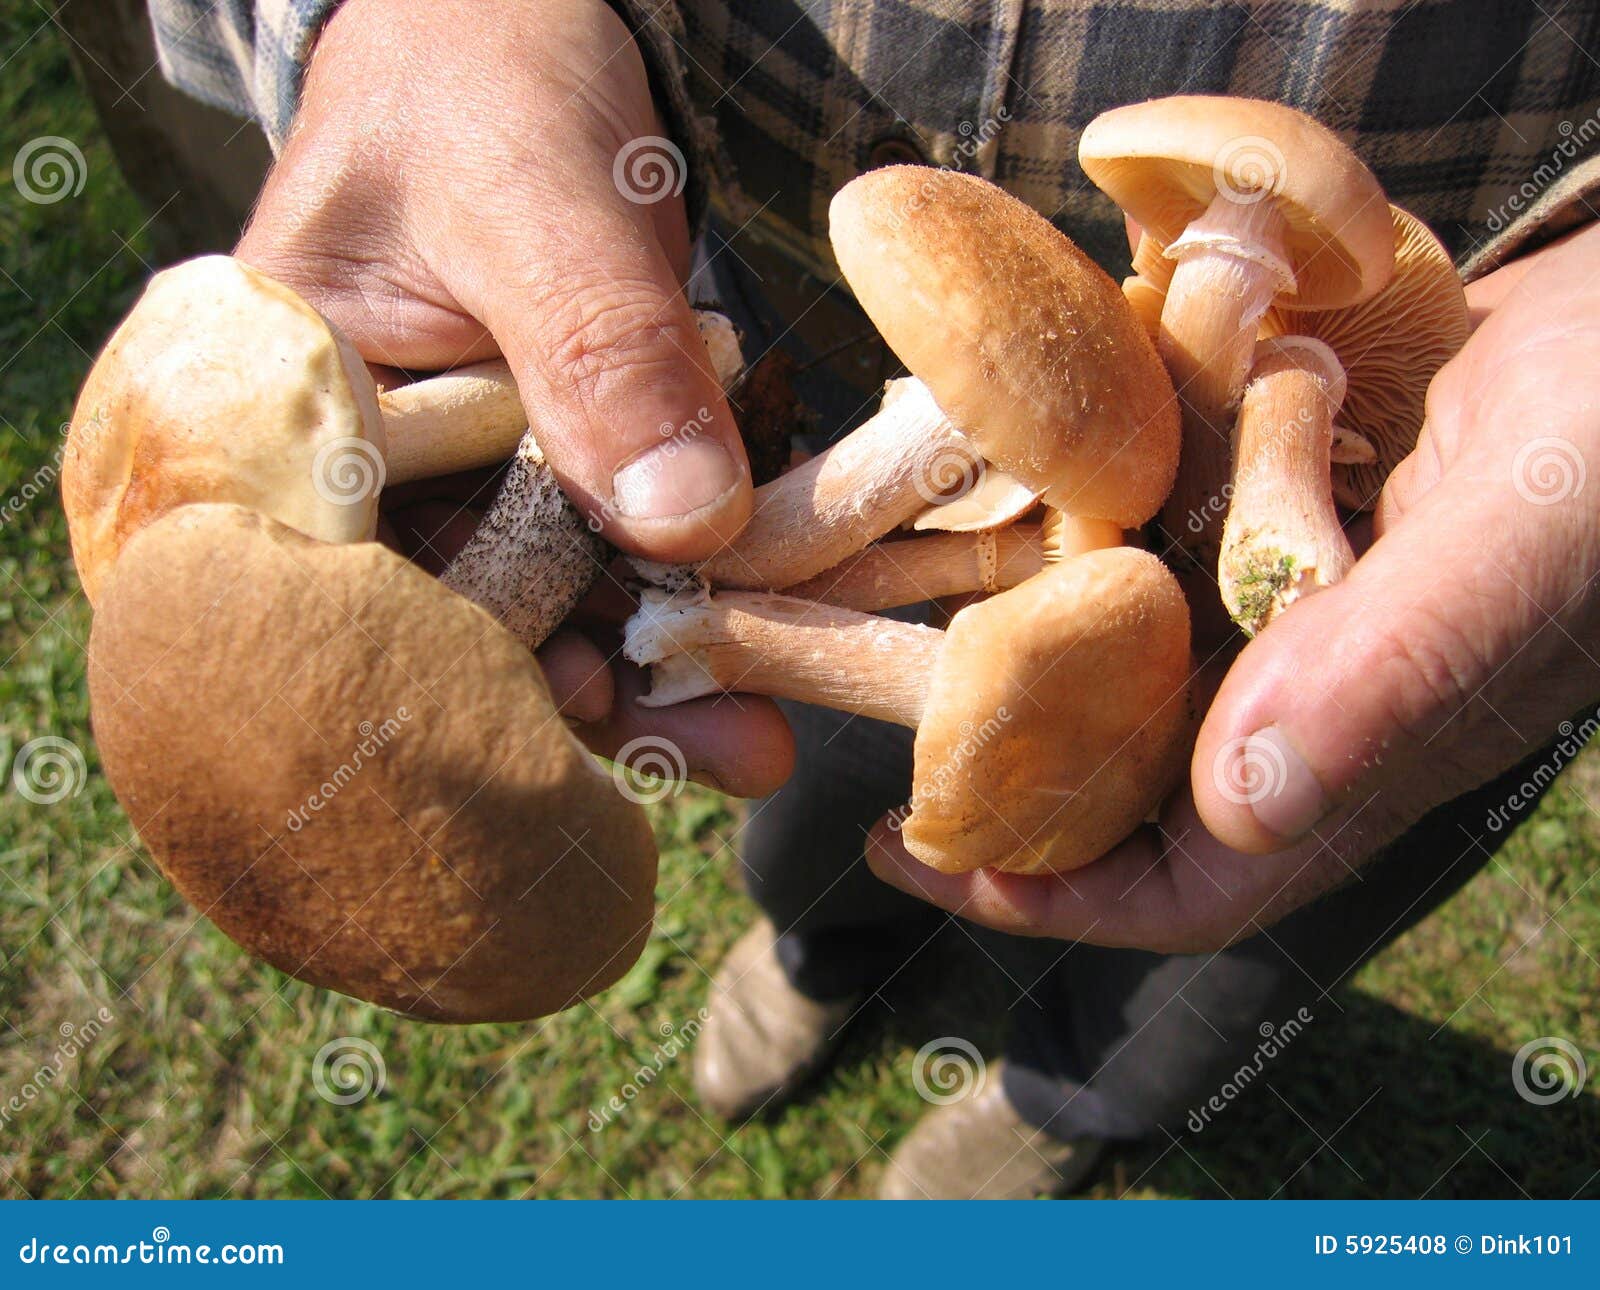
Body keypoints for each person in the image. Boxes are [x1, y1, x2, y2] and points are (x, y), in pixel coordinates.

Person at [149, 0, 1600, 1197]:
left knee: (1261, 868)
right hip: (766, 323)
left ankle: (1070, 1098)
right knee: (820, 804)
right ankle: (814, 947)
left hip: (1448, 449)